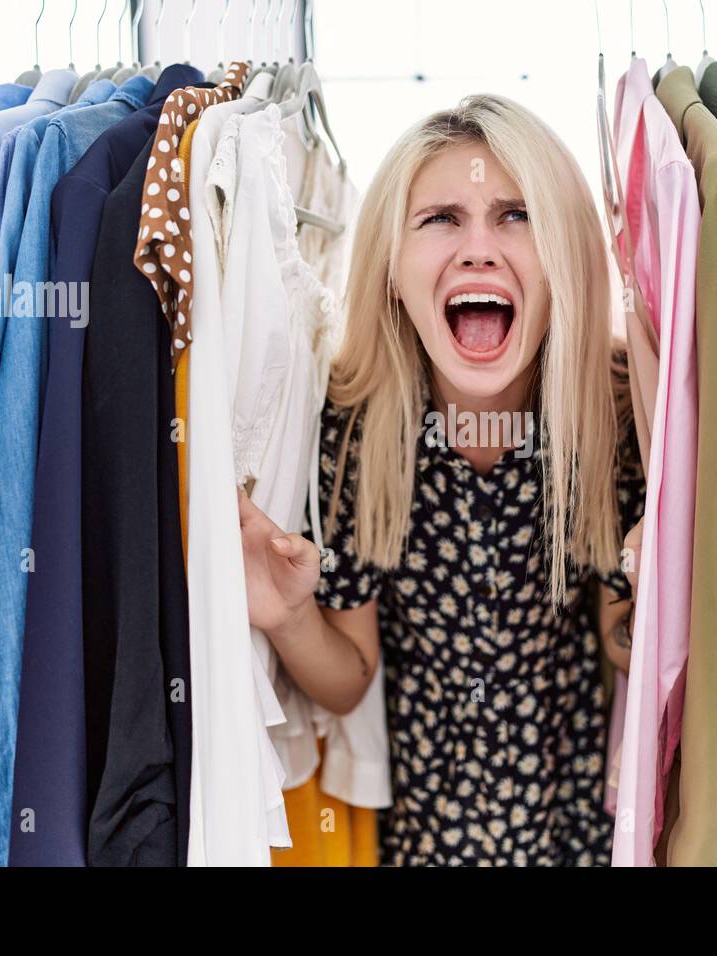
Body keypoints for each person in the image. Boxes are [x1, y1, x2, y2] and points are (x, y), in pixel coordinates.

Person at [237, 93, 646, 866]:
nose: (479, 250)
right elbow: (350, 675)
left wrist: (658, 586)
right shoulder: (354, 430)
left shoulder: (613, 412)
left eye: (516, 215)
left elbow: (618, 644)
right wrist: (291, 617)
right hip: (421, 839)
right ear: (392, 271)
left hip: (577, 833)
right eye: (441, 218)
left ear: (564, 261)